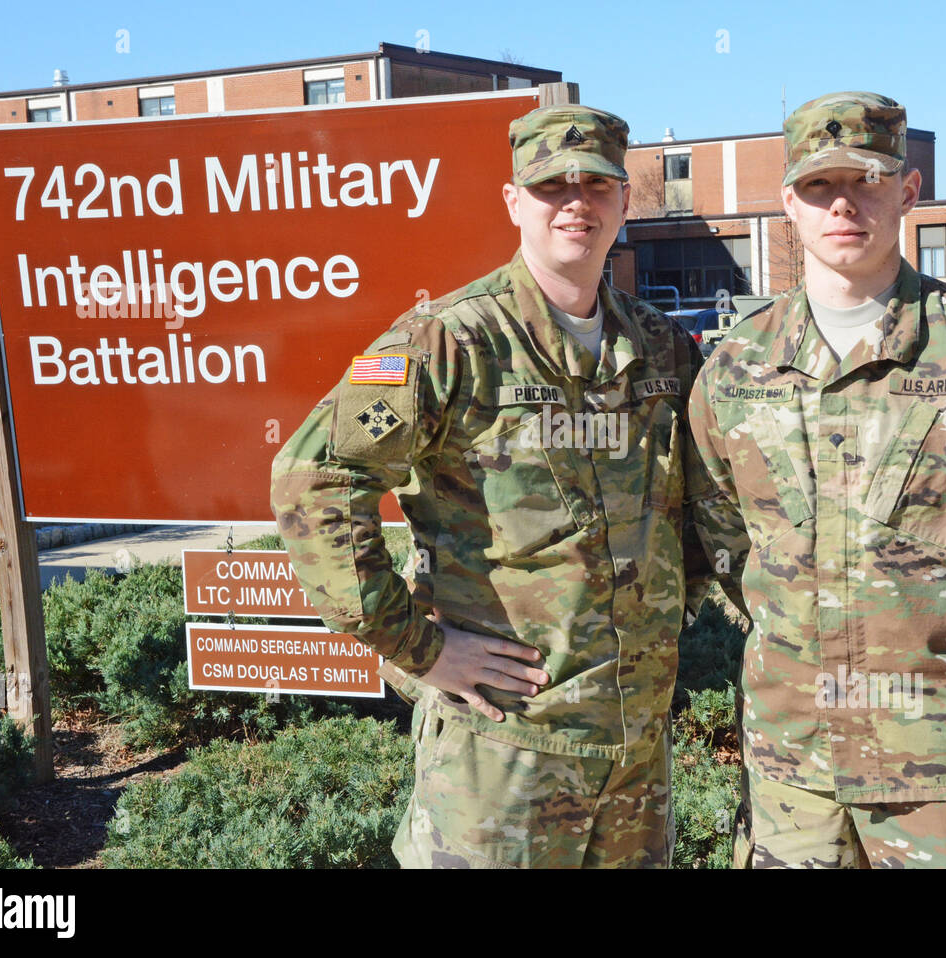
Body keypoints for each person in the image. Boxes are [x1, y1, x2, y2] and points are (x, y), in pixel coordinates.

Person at [271, 104, 715, 868]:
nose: (576, 202)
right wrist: (417, 645)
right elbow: (314, 479)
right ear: (515, 203)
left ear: (624, 202)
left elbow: (708, 503)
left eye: (597, 185)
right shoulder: (450, 341)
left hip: (634, 752)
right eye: (551, 186)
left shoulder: (662, 347)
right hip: (502, 751)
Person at [687, 91, 946, 868]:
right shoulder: (736, 367)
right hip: (794, 768)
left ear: (908, 191)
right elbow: (722, 531)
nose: (842, 204)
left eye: (867, 181)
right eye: (818, 186)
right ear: (789, 203)